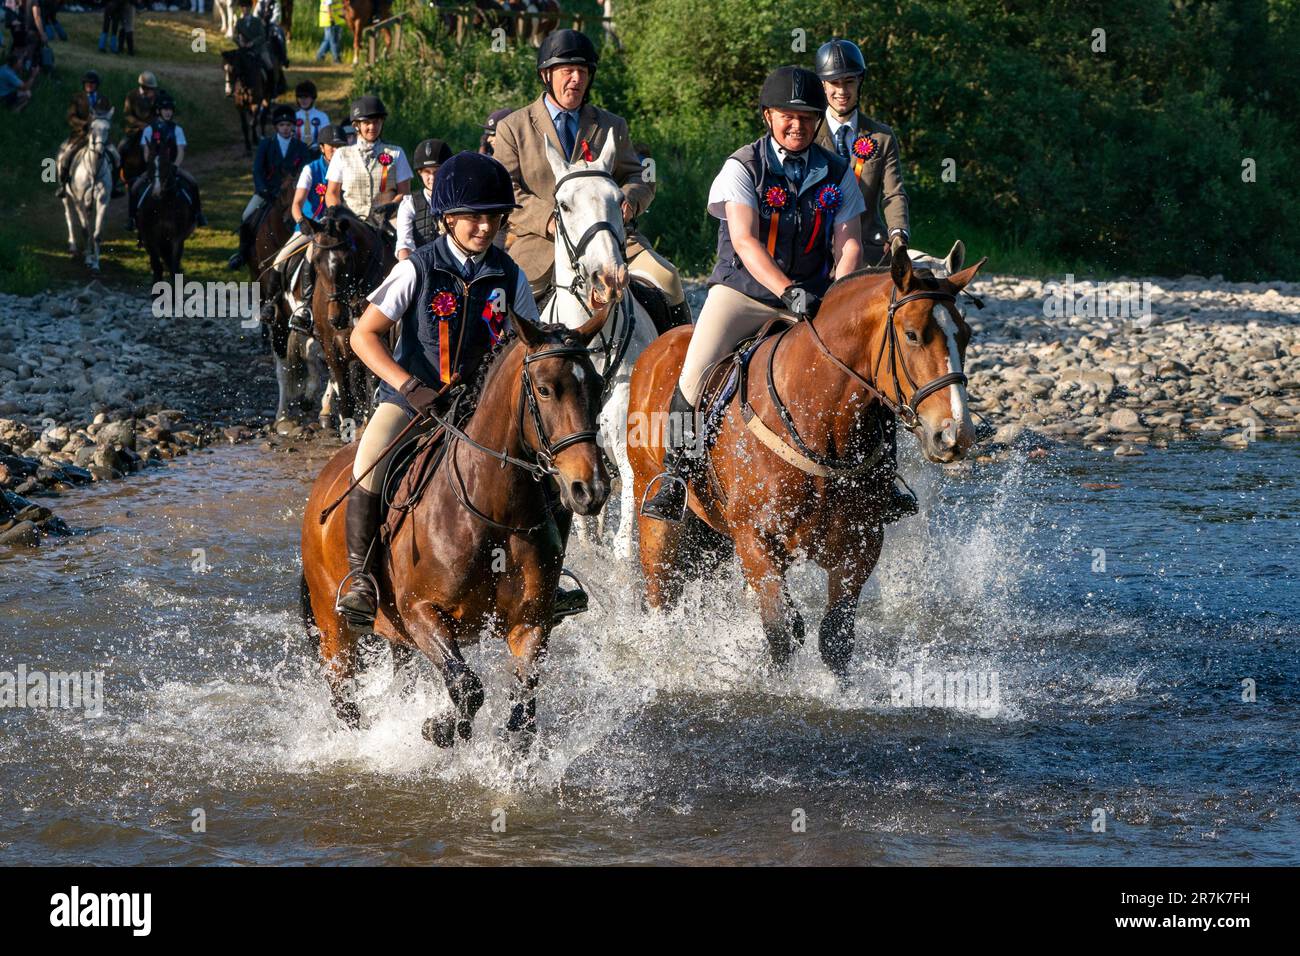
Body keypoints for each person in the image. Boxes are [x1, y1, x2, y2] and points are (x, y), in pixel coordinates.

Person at [641, 66, 881, 523]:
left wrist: (839, 294)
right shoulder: (742, 166)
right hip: (744, 293)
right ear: (767, 116)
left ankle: (881, 481)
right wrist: (788, 291)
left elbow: (848, 242)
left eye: (808, 117)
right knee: (691, 379)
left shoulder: (836, 171)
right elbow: (746, 242)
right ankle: (674, 477)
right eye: (787, 116)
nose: (798, 125)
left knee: (866, 376)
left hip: (814, 299)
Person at [334, 151, 540, 631]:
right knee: (370, 460)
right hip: (412, 400)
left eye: (494, 217)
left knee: (544, 465)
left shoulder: (511, 276)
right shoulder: (417, 269)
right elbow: (362, 336)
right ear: (447, 218)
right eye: (473, 217)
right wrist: (407, 385)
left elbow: (531, 342)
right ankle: (361, 577)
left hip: (481, 409)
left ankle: (549, 578)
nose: (485, 227)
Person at [492, 29, 690, 327]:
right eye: (567, 71)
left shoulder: (612, 124)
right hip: (540, 243)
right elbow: (505, 190)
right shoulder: (513, 127)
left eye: (582, 71)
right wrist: (550, 220)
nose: (576, 79)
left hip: (608, 235)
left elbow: (639, 174)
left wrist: (630, 201)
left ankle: (681, 366)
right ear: (546, 75)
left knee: (668, 278)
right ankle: (491, 369)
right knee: (501, 298)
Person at [814, 38, 910, 266]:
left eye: (848, 81)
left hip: (870, 247)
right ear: (823, 85)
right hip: (816, 250)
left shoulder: (882, 136)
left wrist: (898, 234)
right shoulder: (807, 135)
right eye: (834, 82)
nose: (841, 91)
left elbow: (893, 193)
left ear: (860, 81)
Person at [272, 123, 349, 330]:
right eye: (331, 146)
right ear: (322, 147)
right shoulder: (311, 169)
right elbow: (297, 204)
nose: (336, 150)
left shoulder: (350, 167)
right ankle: (288, 306)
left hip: (340, 229)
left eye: (340, 146)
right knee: (280, 261)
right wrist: (301, 222)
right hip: (311, 227)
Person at [227, 103, 313, 270]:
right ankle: (242, 253)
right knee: (246, 216)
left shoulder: (301, 147)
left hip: (293, 195)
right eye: (282, 125)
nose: (285, 128)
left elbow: (305, 171)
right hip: (267, 192)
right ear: (276, 127)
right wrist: (263, 189)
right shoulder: (266, 144)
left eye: (288, 125)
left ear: (293, 126)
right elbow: (258, 169)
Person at [323, 95, 412, 223]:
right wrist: (337, 212)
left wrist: (391, 206)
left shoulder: (396, 153)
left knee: (409, 241)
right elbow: (331, 193)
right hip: (352, 222)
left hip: (389, 220)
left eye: (376, 122)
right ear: (356, 125)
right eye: (367, 123)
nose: (372, 127)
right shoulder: (341, 155)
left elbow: (405, 193)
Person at [128, 93, 207, 230]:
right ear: (159, 111)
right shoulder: (148, 130)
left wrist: (175, 166)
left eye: (170, 110)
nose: (168, 112)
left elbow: (181, 150)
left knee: (193, 183)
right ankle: (132, 219)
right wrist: (152, 166)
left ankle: (198, 215)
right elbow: (146, 151)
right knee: (135, 188)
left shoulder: (177, 129)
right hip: (154, 168)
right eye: (165, 109)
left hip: (171, 167)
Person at [56, 70, 119, 198]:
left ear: (96, 85)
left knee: (116, 157)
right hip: (80, 135)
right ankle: (63, 186)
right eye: (87, 83)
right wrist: (84, 124)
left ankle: (114, 187)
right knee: (66, 156)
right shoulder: (77, 98)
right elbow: (71, 117)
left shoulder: (104, 99)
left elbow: (107, 118)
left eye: (92, 83)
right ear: (83, 84)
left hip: (100, 137)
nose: (89, 85)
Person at [394, 138, 452, 260]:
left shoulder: (459, 200)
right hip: (423, 267)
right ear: (419, 173)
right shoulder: (409, 204)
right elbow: (404, 244)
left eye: (437, 172)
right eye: (427, 172)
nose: (432, 177)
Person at [293, 80, 330, 145]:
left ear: (313, 98)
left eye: (306, 97)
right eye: (300, 97)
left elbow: (327, 138)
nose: (303, 100)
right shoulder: (293, 116)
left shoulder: (323, 117)